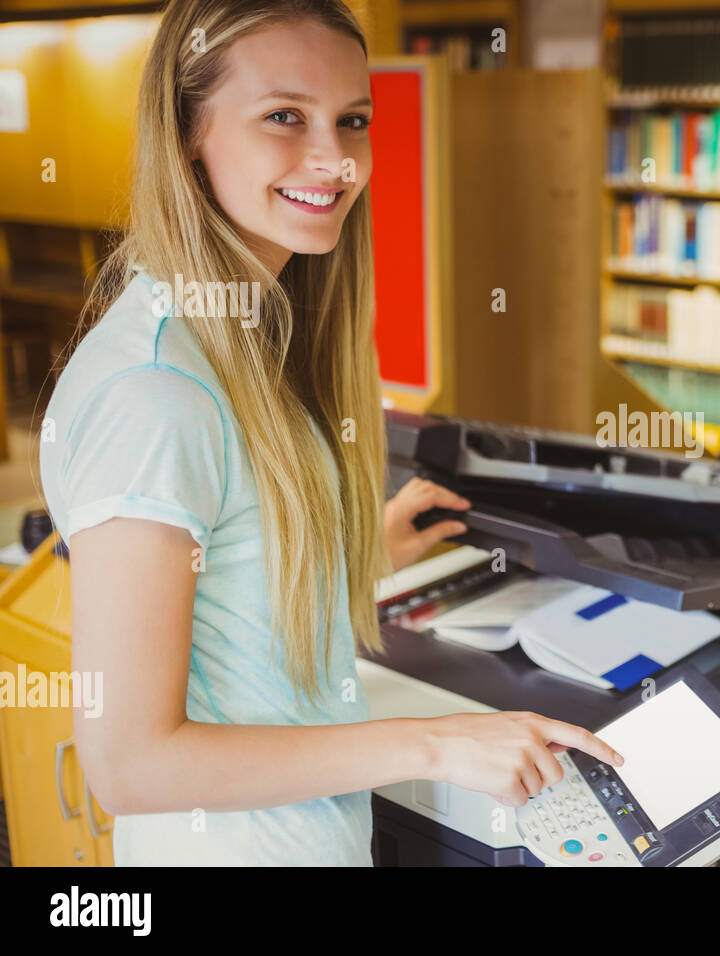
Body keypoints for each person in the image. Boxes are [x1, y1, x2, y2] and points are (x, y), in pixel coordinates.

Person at [38, 0, 620, 866]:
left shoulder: (243, 332)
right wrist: (435, 742)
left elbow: (222, 578)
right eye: (284, 117)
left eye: (353, 121)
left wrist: (356, 555)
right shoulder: (155, 394)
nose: (335, 159)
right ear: (189, 132)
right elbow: (130, 764)